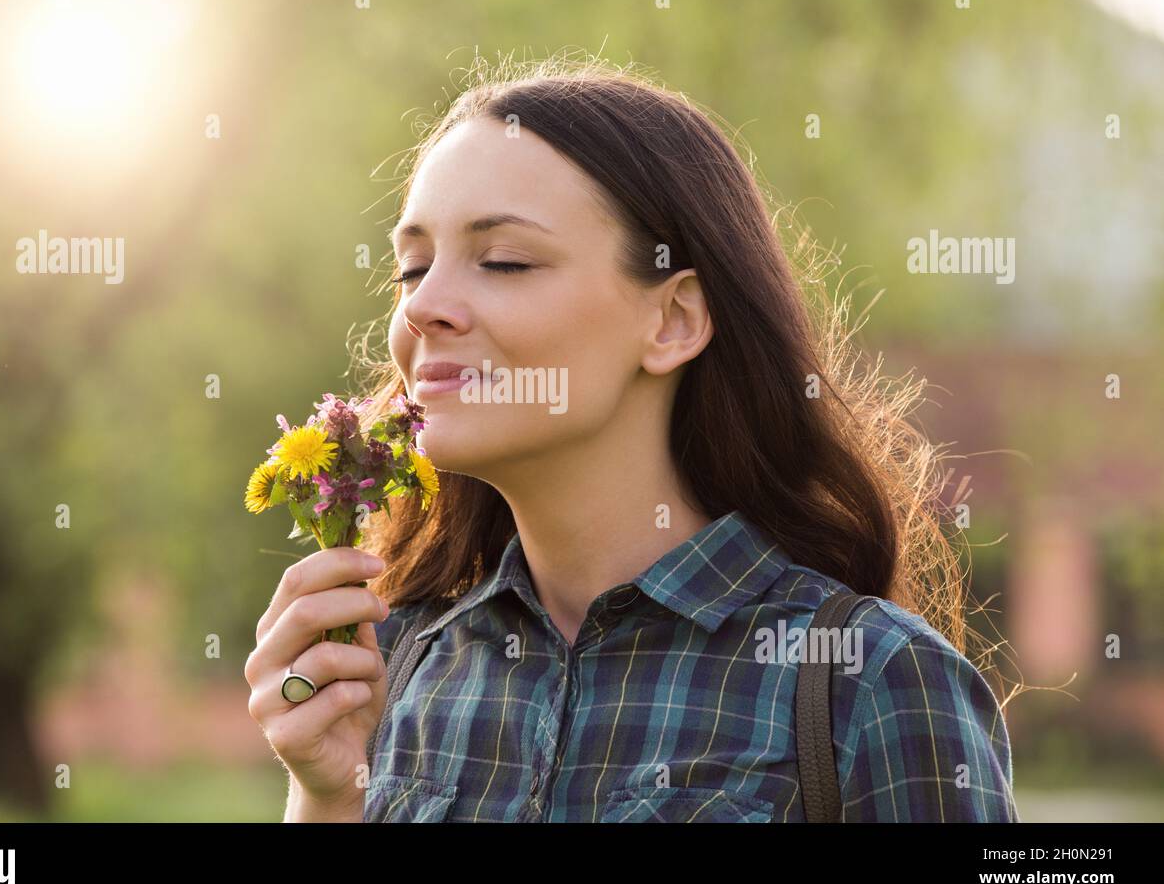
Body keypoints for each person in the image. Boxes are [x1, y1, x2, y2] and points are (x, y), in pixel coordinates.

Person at [245, 56, 1019, 823]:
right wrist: (329, 796)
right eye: (411, 270)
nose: (425, 308)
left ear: (673, 320)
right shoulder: (398, 662)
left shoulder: (872, 683)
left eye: (504, 261)